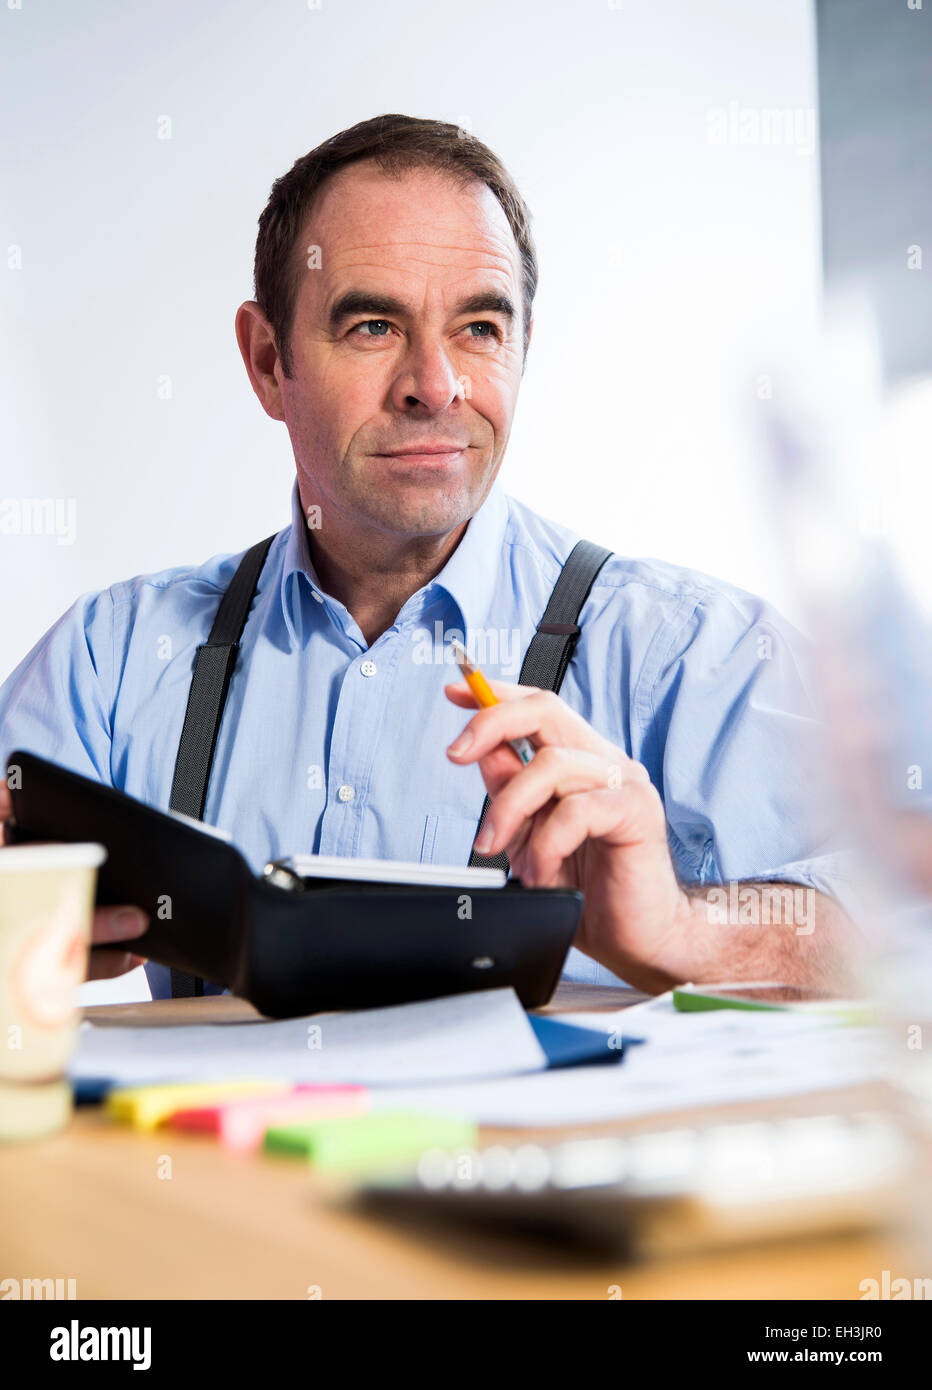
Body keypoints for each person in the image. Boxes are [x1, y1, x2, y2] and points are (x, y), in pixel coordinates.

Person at [0, 113, 860, 998]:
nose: (436, 385)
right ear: (267, 362)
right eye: (373, 325)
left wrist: (687, 930)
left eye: (480, 328)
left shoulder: (692, 653)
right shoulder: (111, 661)